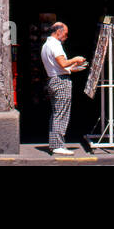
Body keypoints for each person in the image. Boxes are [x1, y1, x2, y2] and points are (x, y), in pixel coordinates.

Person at [41, 22, 86, 155]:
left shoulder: (46, 45)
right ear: (58, 32)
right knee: (61, 114)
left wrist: (71, 69)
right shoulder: (55, 45)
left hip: (53, 79)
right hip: (60, 81)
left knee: (56, 113)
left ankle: (55, 143)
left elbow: (58, 66)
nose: (66, 37)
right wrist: (76, 59)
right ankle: (58, 145)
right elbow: (63, 63)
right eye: (65, 34)